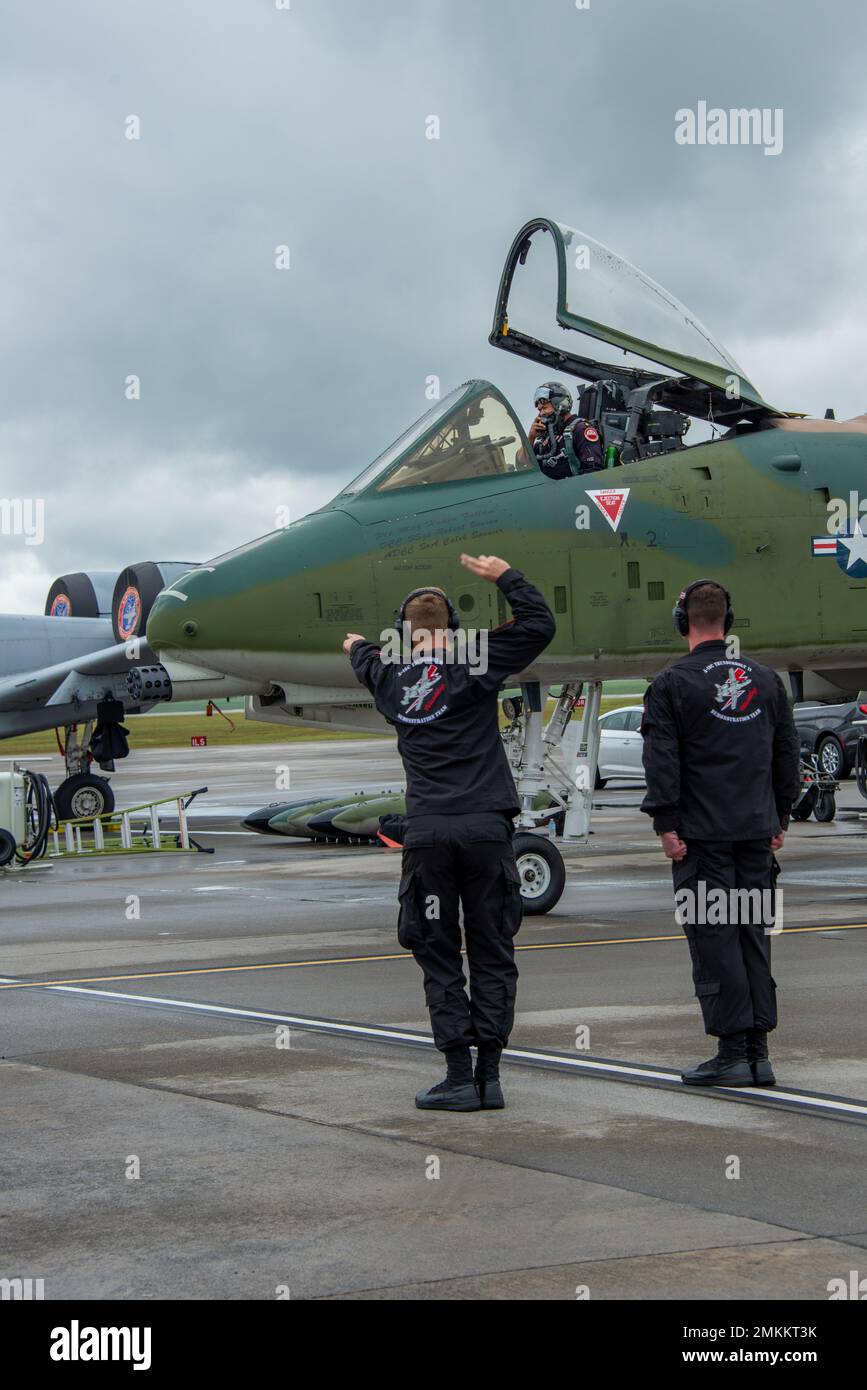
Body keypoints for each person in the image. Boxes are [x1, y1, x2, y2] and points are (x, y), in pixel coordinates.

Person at [343, 554, 556, 1111]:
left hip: (429, 837)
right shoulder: (475, 665)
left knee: (439, 954)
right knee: (492, 949)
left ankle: (458, 1074)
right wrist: (507, 576)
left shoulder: (388, 677)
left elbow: (363, 657)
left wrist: (357, 646)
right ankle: (490, 1076)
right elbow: (539, 627)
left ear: (403, 635)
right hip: (486, 831)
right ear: (453, 631)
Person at [640, 579, 801, 1087]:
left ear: (681, 621)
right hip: (755, 834)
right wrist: (781, 815)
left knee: (716, 939)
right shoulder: (766, 680)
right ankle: (758, 1052)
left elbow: (661, 761)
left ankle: (733, 1051)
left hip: (702, 839)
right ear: (727, 621)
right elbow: (786, 754)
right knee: (753, 935)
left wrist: (665, 824)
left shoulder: (671, 684)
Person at [528, 381, 604, 479]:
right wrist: (531, 437)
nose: (541, 413)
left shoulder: (580, 429)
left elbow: (594, 471)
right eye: (539, 410)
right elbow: (522, 465)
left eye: (544, 408)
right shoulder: (545, 437)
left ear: (559, 404)